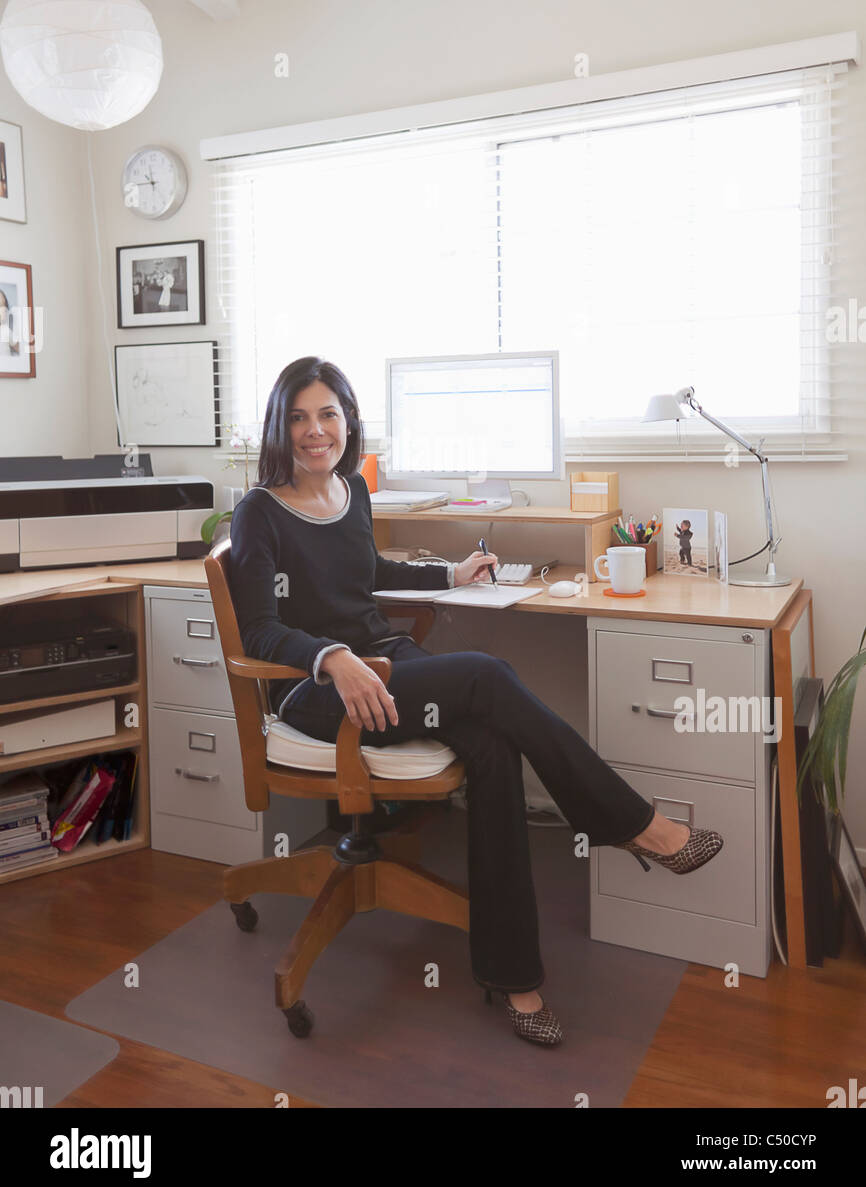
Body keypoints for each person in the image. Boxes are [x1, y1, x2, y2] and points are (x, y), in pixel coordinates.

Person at [228, 357, 723, 1048]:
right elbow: (259, 627)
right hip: (318, 690)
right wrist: (332, 658)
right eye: (301, 417)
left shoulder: (349, 492)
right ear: (280, 426)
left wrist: (449, 573)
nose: (316, 431)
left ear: (349, 420)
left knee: (492, 745)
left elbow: (367, 573)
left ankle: (512, 973)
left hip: (383, 665)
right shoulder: (259, 512)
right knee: (488, 676)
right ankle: (633, 824)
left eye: (329, 414)